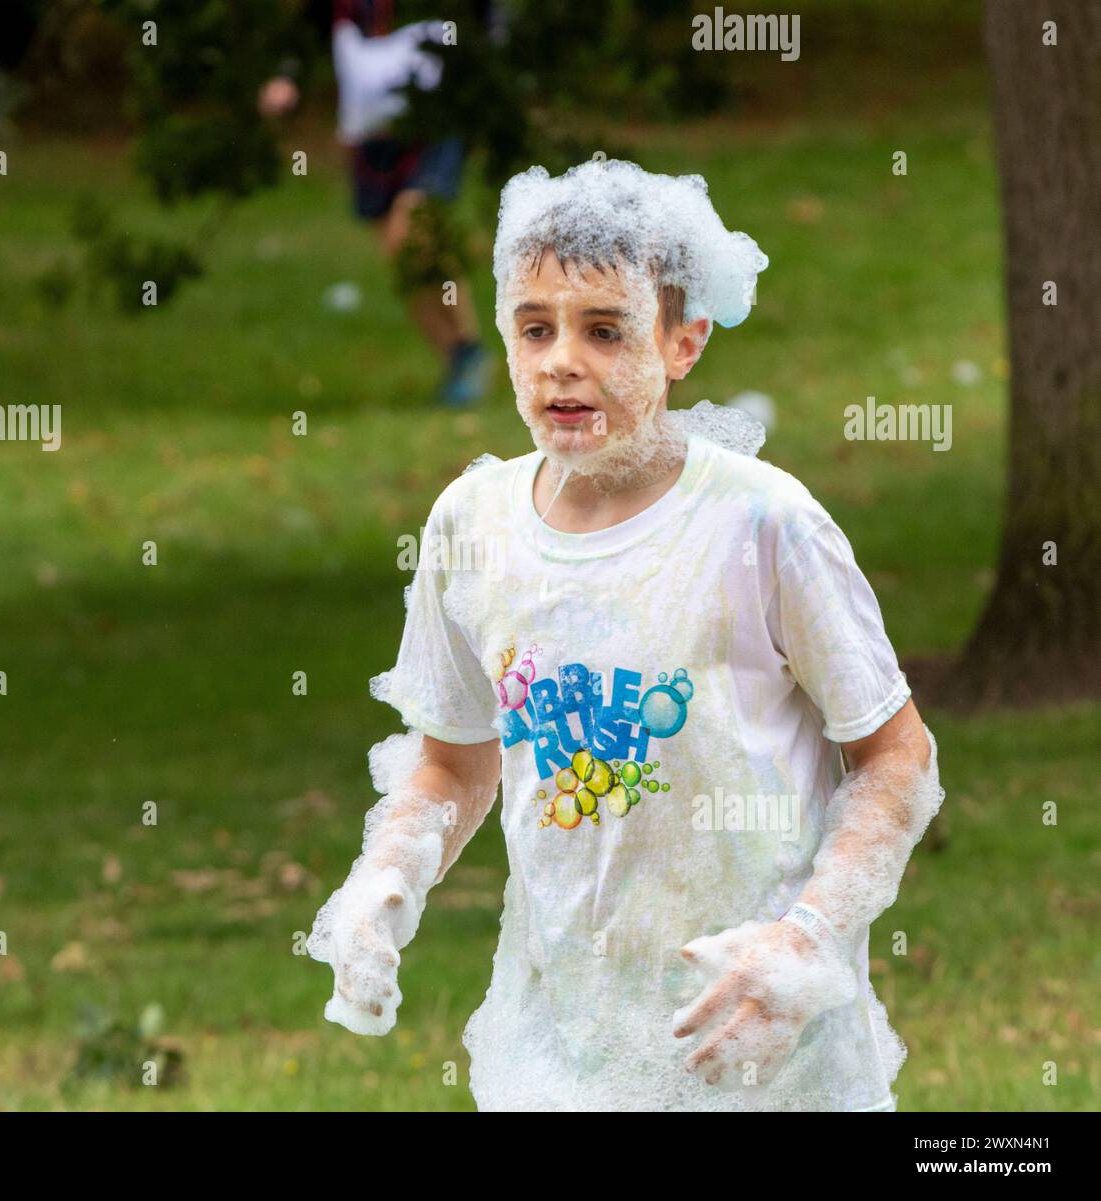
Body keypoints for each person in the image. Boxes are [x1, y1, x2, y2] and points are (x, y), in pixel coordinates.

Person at [306, 159, 946, 1111]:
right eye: (534, 328)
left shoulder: (763, 525)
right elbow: (453, 762)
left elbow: (899, 757)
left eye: (604, 330)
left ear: (683, 342)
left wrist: (808, 939)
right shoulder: (469, 524)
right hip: (558, 1054)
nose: (561, 358)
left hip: (765, 1057)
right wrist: (384, 877)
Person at [259, 0, 502, 406]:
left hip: (431, 127)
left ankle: (469, 343)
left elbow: (487, 24)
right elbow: (302, 38)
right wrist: (286, 79)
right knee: (397, 254)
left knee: (415, 230)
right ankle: (458, 359)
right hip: (369, 136)